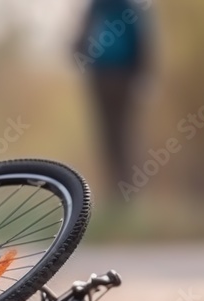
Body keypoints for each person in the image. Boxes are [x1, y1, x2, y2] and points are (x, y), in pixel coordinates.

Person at [73, 0, 151, 199]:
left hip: (110, 74)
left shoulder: (103, 6)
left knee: (115, 133)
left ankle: (123, 189)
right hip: (112, 75)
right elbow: (142, 40)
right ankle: (119, 189)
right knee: (117, 133)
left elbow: (81, 37)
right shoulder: (124, 6)